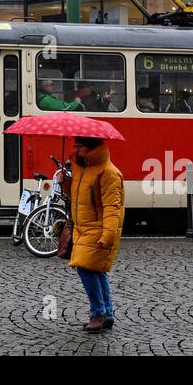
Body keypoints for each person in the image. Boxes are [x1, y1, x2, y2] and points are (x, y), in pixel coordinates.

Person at [67, 135, 125, 333]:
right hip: (82, 228)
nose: (75, 149)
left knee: (85, 268)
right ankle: (106, 314)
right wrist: (64, 182)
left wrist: (107, 236)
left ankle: (98, 313)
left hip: (96, 229)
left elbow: (112, 207)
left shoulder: (109, 173)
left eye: (79, 146)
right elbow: (76, 197)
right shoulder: (82, 168)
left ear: (91, 148)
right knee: (96, 271)